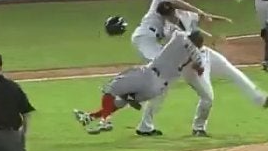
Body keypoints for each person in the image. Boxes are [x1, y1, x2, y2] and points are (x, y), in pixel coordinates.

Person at [137, 3, 268, 137]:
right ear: (163, 16)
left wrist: (220, 21)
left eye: (172, 11)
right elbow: (188, 43)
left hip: (203, 52)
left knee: (231, 70)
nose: (172, 15)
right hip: (187, 63)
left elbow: (202, 21)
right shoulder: (168, 30)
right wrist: (207, 47)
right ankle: (197, 128)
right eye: (168, 14)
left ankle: (261, 99)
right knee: (206, 97)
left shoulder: (183, 15)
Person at [131, 0, 232, 135]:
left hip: (152, 39)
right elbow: (174, 3)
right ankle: (132, 93)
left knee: (162, 82)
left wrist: (210, 34)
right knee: (159, 73)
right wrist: (199, 11)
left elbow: (189, 33)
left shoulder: (174, 16)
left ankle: (145, 125)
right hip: (146, 37)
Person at [74, 30, 205, 135]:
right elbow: (199, 68)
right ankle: (90, 117)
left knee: (110, 89)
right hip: (157, 89)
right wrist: (196, 59)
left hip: (148, 74)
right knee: (120, 102)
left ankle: (105, 120)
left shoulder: (180, 36)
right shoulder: (198, 55)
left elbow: (175, 33)